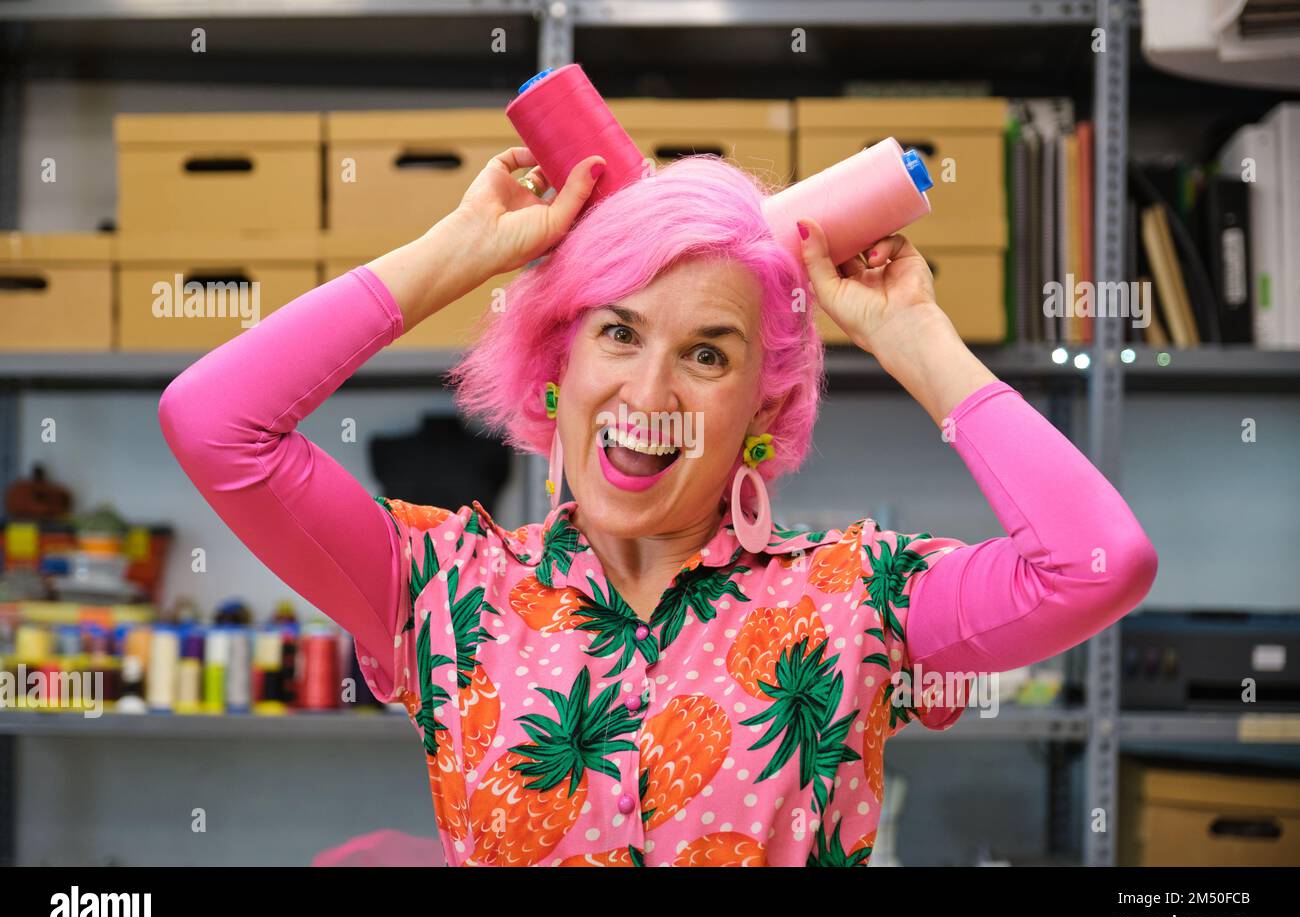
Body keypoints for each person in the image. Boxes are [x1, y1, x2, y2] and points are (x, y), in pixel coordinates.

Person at [159, 146, 1158, 867]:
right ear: (557, 362)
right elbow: (213, 422)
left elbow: (1099, 561)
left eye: (707, 353)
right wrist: (460, 250)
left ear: (762, 404)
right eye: (617, 333)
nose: (646, 396)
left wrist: (915, 339)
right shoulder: (436, 589)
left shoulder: (863, 596)